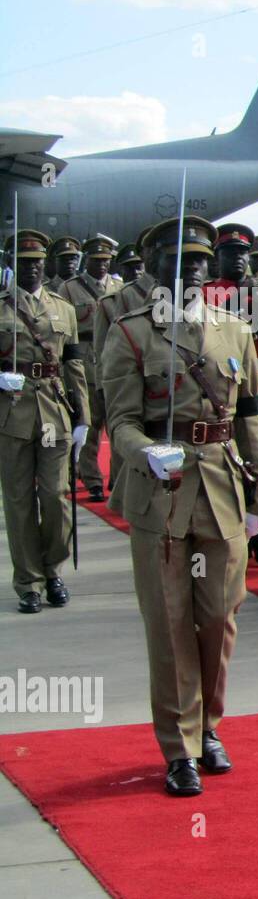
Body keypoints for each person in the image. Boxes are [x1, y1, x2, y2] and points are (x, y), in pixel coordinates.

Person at [99, 215, 258, 796]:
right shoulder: (130, 333)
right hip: (162, 493)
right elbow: (119, 420)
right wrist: (144, 452)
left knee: (220, 617)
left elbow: (249, 414)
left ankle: (211, 727)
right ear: (153, 271)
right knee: (169, 624)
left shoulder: (234, 331)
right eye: (179, 264)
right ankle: (179, 747)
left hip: (222, 485)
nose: (192, 274)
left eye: (200, 263)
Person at [0, 230, 89, 613]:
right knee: (19, 501)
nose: (32, 268)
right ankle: (29, 583)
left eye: (37, 262)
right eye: (24, 262)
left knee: (56, 497)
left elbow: (74, 363)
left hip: (54, 409)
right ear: (11, 265)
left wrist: (83, 415)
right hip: (11, 411)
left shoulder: (62, 308)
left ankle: (53, 569)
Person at [205, 223, 258, 568]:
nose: (238, 259)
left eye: (242, 253)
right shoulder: (205, 294)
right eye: (230, 253)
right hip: (222, 392)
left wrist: (254, 296)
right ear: (216, 258)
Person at [57, 234, 122, 502]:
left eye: (106, 261)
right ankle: (93, 479)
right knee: (91, 424)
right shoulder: (71, 289)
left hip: (115, 362)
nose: (102, 266)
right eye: (97, 261)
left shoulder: (118, 287)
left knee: (118, 424)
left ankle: (117, 480)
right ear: (87, 261)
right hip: (85, 363)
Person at [96, 228, 160, 490]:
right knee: (127, 442)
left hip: (165, 384)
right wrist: (103, 388)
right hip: (130, 380)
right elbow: (106, 350)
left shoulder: (188, 293)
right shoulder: (119, 298)